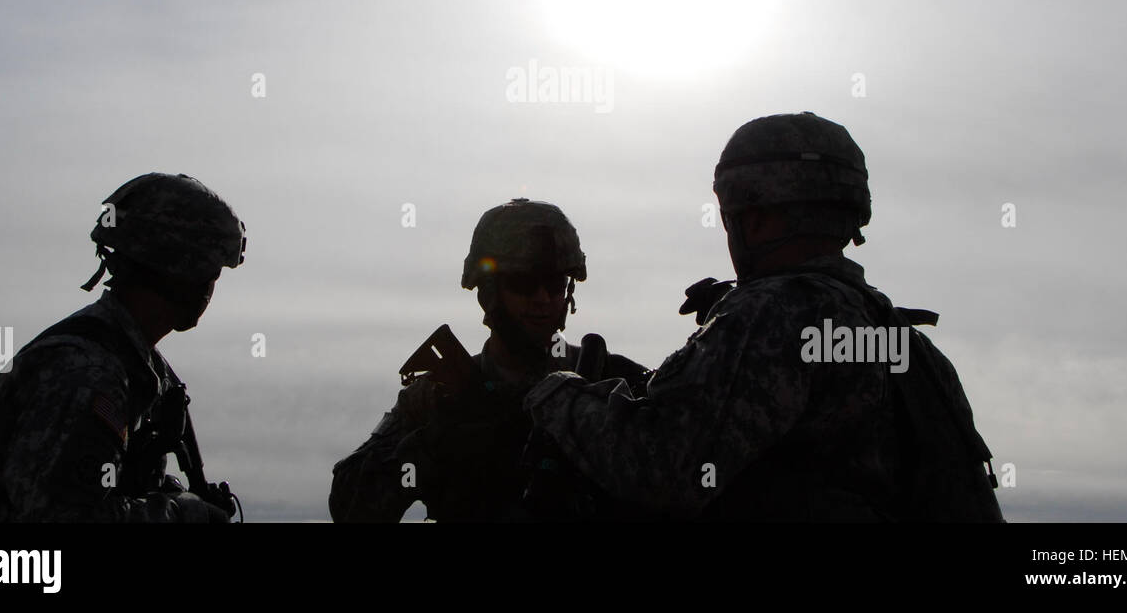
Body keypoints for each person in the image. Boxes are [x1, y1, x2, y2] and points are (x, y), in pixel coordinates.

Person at [524, 113, 1005, 521]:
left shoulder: (773, 313)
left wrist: (554, 392)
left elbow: (667, 467)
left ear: (751, 215)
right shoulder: (910, 347)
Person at [0, 172, 246, 522]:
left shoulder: (138, 368)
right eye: (211, 272)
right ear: (178, 267)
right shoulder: (85, 373)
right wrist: (180, 515)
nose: (210, 288)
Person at [329, 198, 649, 522]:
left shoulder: (615, 384)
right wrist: (430, 449)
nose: (542, 298)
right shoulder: (440, 395)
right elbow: (348, 504)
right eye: (524, 282)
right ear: (489, 292)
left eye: (555, 284)